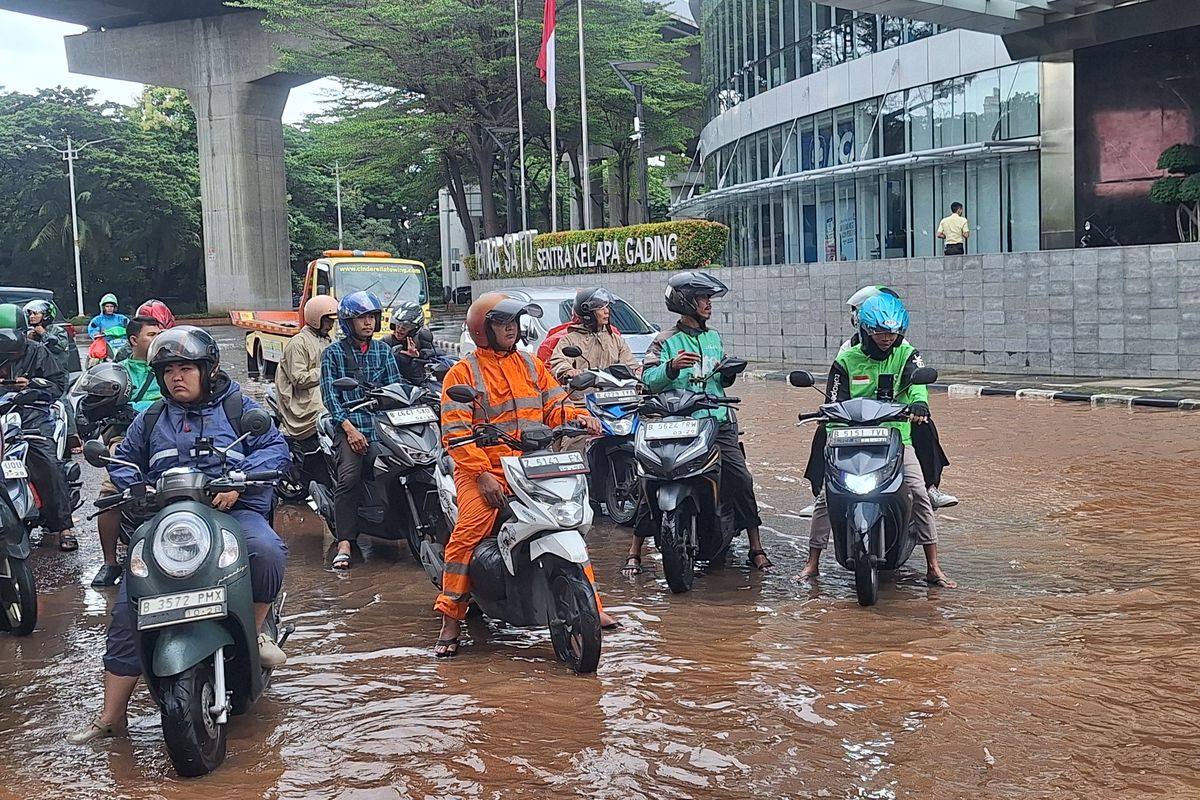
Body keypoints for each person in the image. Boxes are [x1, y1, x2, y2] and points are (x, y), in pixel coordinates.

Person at [67, 326, 290, 745]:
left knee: (265, 549)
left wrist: (237, 482)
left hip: (232, 512)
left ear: (208, 369)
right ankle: (111, 715)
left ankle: (256, 631)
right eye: (168, 370)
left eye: (186, 368)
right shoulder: (150, 417)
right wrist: (133, 483)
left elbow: (274, 448)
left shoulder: (238, 408)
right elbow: (124, 462)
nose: (176, 377)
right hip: (167, 522)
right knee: (130, 602)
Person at [434, 292, 612, 657]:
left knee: (569, 522)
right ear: (483, 330)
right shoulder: (463, 372)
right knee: (468, 534)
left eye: (514, 322)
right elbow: (455, 434)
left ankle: (592, 604)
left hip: (534, 465)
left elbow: (555, 404)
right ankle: (450, 619)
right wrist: (481, 474)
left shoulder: (531, 365)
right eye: (502, 323)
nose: (511, 329)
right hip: (484, 468)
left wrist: (578, 417)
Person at [797, 293, 956, 588]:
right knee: (824, 497)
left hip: (895, 437)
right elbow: (833, 399)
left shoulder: (906, 353)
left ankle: (934, 566)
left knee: (919, 492)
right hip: (849, 439)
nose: (886, 339)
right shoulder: (846, 359)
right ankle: (812, 563)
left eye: (892, 333)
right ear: (867, 330)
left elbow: (916, 383)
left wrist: (920, 405)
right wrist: (827, 418)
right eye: (880, 332)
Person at [621, 272, 772, 576]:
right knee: (653, 476)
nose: (708, 304)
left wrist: (728, 372)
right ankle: (634, 550)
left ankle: (756, 546)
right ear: (685, 302)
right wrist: (671, 368)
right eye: (703, 298)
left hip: (716, 422)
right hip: (677, 424)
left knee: (740, 477)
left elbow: (719, 378)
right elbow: (647, 381)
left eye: (709, 299)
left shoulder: (713, 337)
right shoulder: (663, 341)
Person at [319, 291, 403, 570]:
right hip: (350, 426)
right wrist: (350, 429)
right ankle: (344, 541)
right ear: (347, 322)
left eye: (371, 317)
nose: (368, 323)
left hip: (382, 426)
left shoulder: (384, 352)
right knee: (349, 478)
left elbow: (396, 390)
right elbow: (331, 398)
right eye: (361, 318)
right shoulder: (333, 354)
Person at [88, 316, 164, 587]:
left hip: (169, 433)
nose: (158, 338)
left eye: (160, 332)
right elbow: (93, 405)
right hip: (128, 435)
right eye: (151, 334)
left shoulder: (171, 365)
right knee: (111, 492)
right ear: (134, 340)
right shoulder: (120, 371)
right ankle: (109, 562)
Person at [0, 303, 76, 550]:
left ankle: (64, 525)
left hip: (31, 415)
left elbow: (57, 385)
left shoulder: (38, 352)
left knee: (48, 463)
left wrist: (30, 386)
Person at [548, 288, 641, 385]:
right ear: (588, 313)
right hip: (580, 398)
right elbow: (558, 362)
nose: (606, 311)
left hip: (612, 396)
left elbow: (630, 367)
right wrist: (568, 371)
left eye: (607, 307)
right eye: (600, 307)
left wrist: (638, 371)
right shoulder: (570, 340)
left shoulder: (616, 340)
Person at [277, 295, 337, 442]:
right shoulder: (298, 343)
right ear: (315, 319)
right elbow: (299, 379)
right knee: (328, 412)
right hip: (303, 399)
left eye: (332, 321)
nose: (330, 325)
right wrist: (327, 370)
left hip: (322, 390)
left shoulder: (328, 340)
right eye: (327, 321)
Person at [383, 301, 442, 385]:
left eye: (406, 326)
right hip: (395, 387)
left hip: (422, 386)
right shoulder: (386, 342)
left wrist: (419, 355)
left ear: (415, 329)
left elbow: (440, 353)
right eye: (398, 324)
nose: (400, 328)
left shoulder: (420, 339)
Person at [112, 300, 176, 362]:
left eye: (160, 334)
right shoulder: (125, 353)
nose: (157, 339)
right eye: (151, 334)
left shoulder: (177, 347)